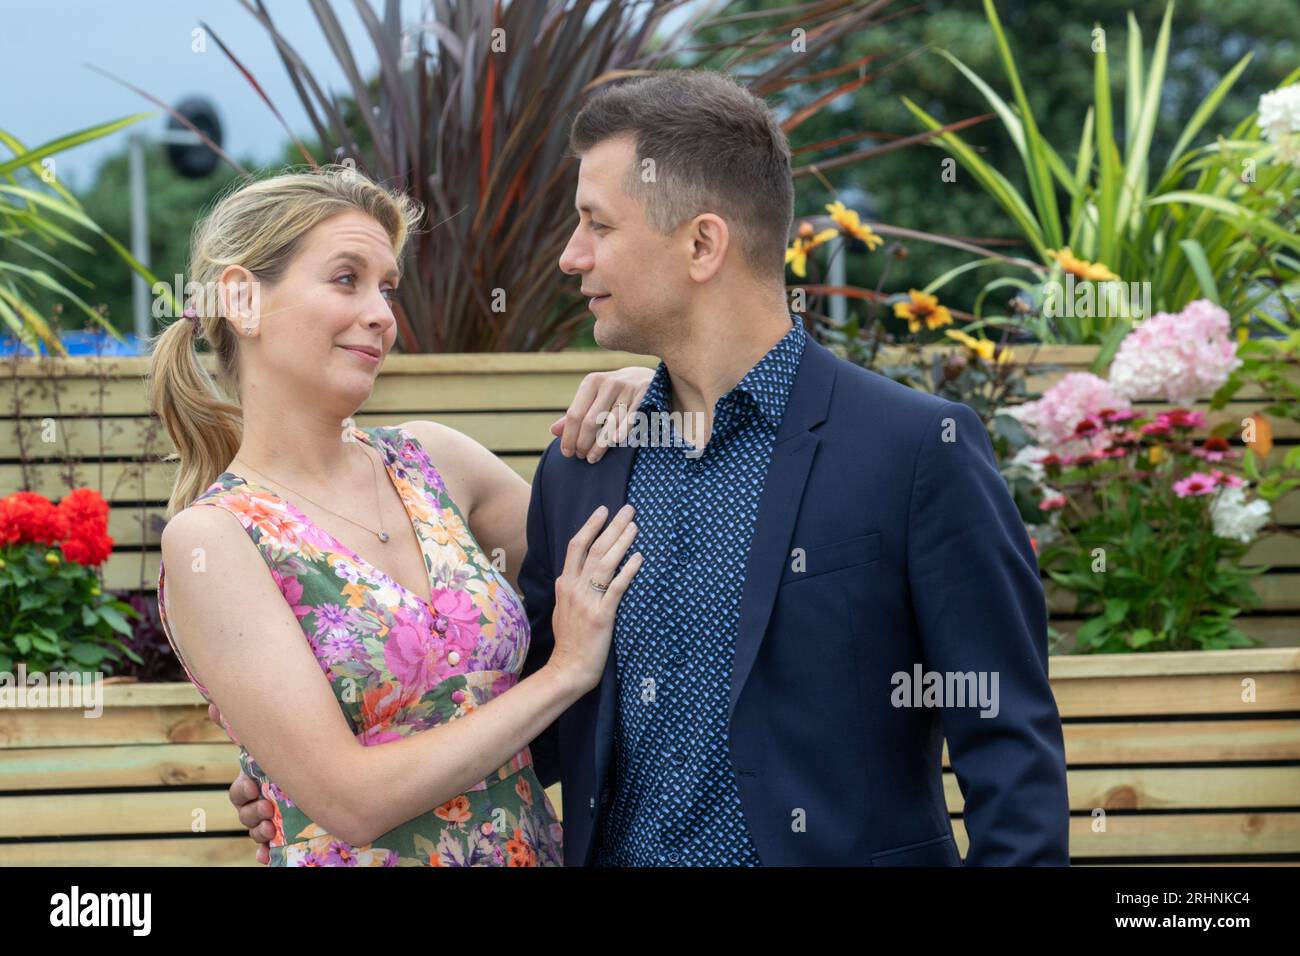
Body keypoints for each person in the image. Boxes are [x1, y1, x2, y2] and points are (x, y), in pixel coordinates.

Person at [233, 70, 1070, 867]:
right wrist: (302, 773)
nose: (570, 256)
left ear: (703, 243)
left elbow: (1008, 748)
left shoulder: (917, 451)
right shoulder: (587, 460)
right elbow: (543, 717)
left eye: (597, 224)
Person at [152, 165, 654, 866]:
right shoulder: (214, 538)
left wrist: (652, 391)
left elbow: (638, 565)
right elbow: (352, 802)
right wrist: (564, 673)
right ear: (242, 298)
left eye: (387, 288)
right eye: (346, 279)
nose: (383, 314)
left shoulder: (435, 460)